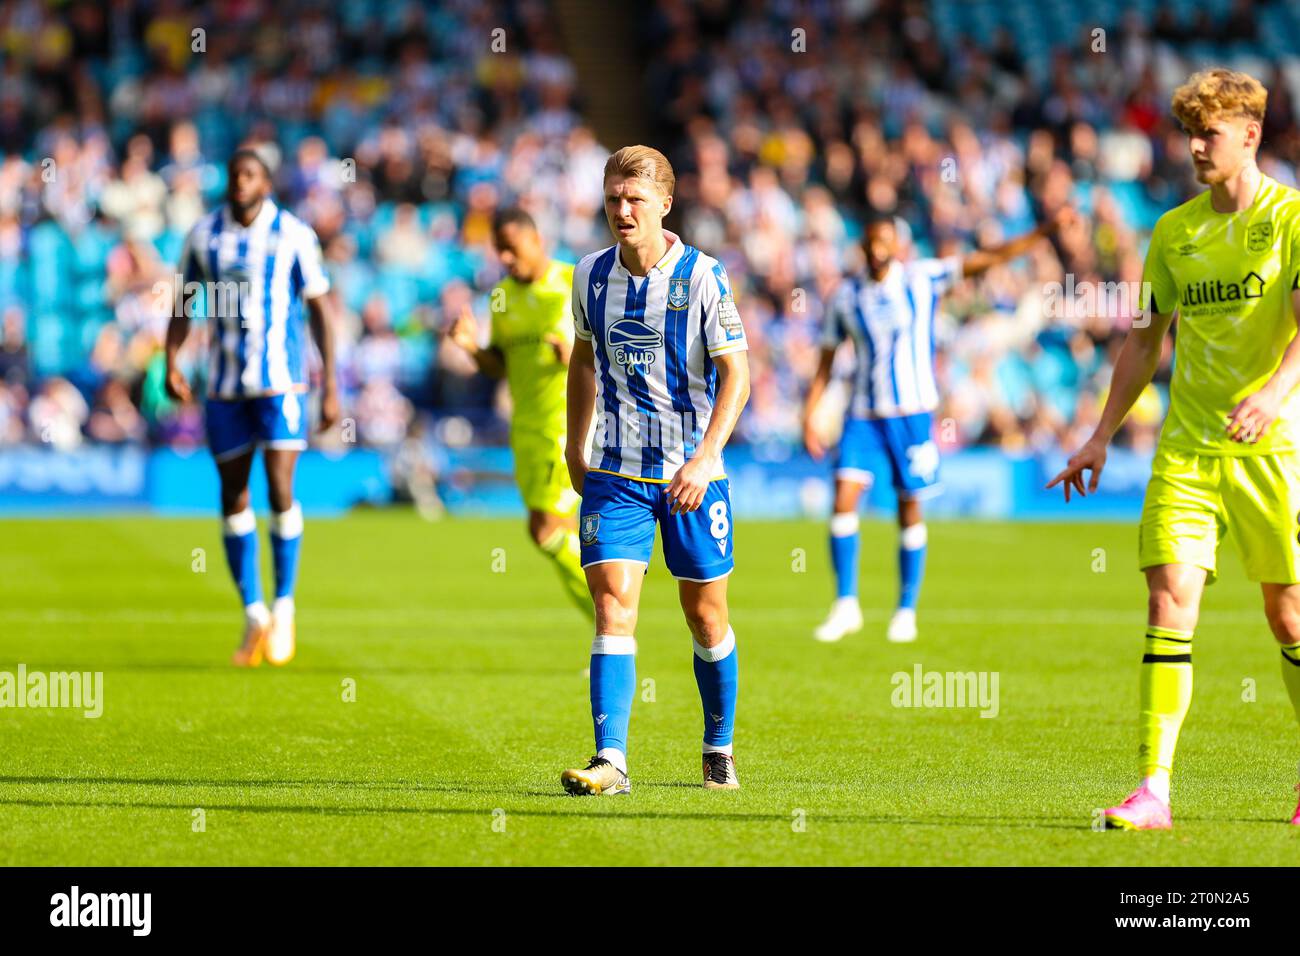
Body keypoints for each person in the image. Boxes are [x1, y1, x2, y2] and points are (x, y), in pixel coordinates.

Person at [1050, 69, 1300, 829]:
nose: (1194, 147)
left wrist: (1274, 393)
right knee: (1168, 601)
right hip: (1188, 449)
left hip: (1275, 450)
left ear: (1249, 135)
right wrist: (1099, 434)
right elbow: (1141, 342)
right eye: (1188, 134)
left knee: (1288, 617)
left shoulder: (1292, 217)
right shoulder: (1174, 231)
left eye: (1209, 134)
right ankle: (1153, 790)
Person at [560, 145, 750, 795]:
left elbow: (738, 376)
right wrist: (572, 442)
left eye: (634, 199)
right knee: (613, 608)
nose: (621, 210)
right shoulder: (588, 276)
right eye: (613, 198)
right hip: (615, 474)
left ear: (664, 204)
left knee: (706, 618)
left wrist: (704, 457)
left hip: (693, 479)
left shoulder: (702, 277)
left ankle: (717, 745)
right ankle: (611, 760)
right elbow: (582, 361)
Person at [804, 209, 1072, 643]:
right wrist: (811, 411)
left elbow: (985, 259)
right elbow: (827, 357)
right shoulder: (846, 297)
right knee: (842, 496)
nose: (875, 250)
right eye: (869, 243)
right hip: (862, 414)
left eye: (883, 242)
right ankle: (846, 605)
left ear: (897, 245)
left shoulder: (921, 279)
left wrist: (1041, 233)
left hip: (911, 414)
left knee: (910, 506)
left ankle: (905, 609)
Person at [164, 145, 339, 667]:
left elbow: (320, 311)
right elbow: (182, 302)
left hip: (281, 384)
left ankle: (284, 605)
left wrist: (330, 384)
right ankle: (253, 610)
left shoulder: (294, 235)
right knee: (233, 494)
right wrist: (171, 359)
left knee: (282, 486)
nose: (241, 182)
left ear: (267, 182)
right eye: (235, 174)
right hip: (222, 389)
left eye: (251, 175)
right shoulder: (203, 235)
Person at [446, 208, 590, 619]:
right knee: (548, 531)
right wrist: (472, 347)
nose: (506, 259)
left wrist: (582, 355)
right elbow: (501, 363)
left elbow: (612, 348)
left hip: (566, 425)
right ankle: (610, 624)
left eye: (512, 249)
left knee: (546, 529)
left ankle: (614, 618)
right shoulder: (501, 296)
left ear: (537, 240)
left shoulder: (573, 282)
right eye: (499, 252)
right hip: (524, 427)